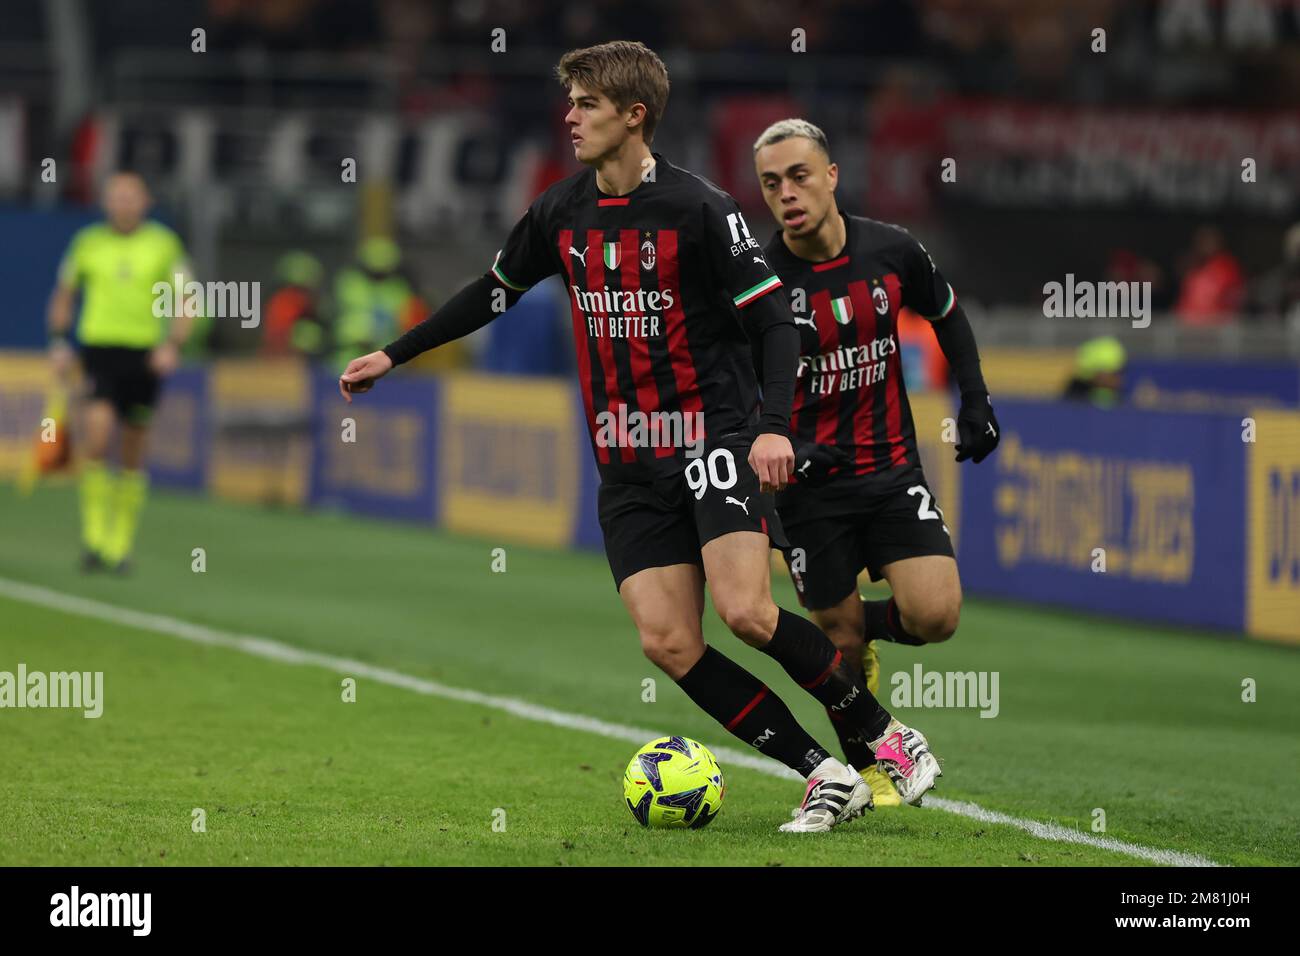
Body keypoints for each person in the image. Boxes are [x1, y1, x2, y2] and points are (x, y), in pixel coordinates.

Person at [338, 41, 942, 830]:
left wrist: (771, 430)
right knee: (668, 641)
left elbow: (774, 325)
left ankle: (885, 735)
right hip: (626, 462)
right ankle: (826, 773)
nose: (571, 116)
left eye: (586, 103)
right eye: (572, 101)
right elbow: (494, 292)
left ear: (634, 115)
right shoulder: (561, 212)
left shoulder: (701, 209)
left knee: (747, 613)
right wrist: (396, 353)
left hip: (711, 443)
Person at [752, 119, 1001, 805]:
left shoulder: (893, 250)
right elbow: (739, 389)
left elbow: (947, 312)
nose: (787, 194)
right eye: (772, 184)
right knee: (836, 645)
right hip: (809, 492)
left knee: (936, 615)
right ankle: (870, 770)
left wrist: (974, 399)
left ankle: (865, 624)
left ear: (832, 176)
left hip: (891, 470)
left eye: (800, 175)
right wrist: (785, 445)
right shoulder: (761, 282)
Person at [47, 171, 198, 574]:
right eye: (116, 197)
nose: (124, 204)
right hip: (99, 350)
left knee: (133, 447)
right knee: (96, 436)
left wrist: (173, 345)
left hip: (144, 355)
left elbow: (187, 297)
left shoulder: (164, 244)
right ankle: (94, 538)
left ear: (145, 202)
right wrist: (60, 341)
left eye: (131, 197)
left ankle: (120, 544)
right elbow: (64, 294)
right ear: (106, 202)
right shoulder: (88, 243)